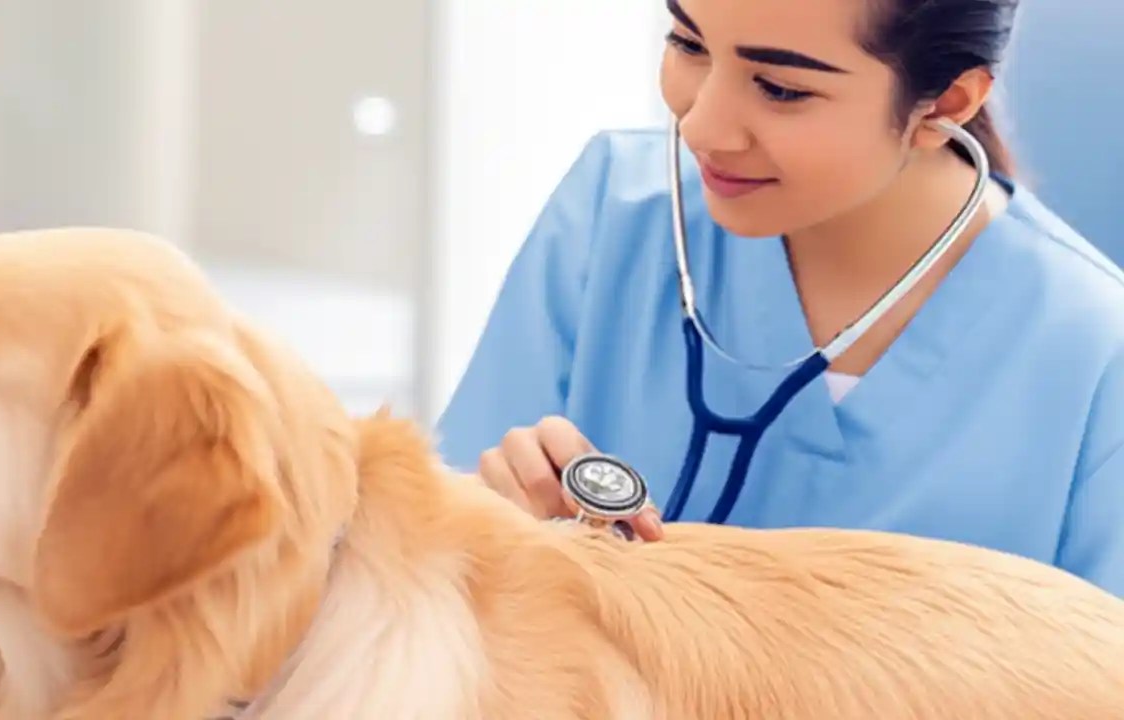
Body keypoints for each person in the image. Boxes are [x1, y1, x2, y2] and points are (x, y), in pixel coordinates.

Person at [434, 0, 1124, 598]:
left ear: (945, 103)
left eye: (779, 88)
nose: (702, 128)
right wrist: (494, 524)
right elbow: (432, 570)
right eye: (688, 44)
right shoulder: (613, 210)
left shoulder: (1093, 352)